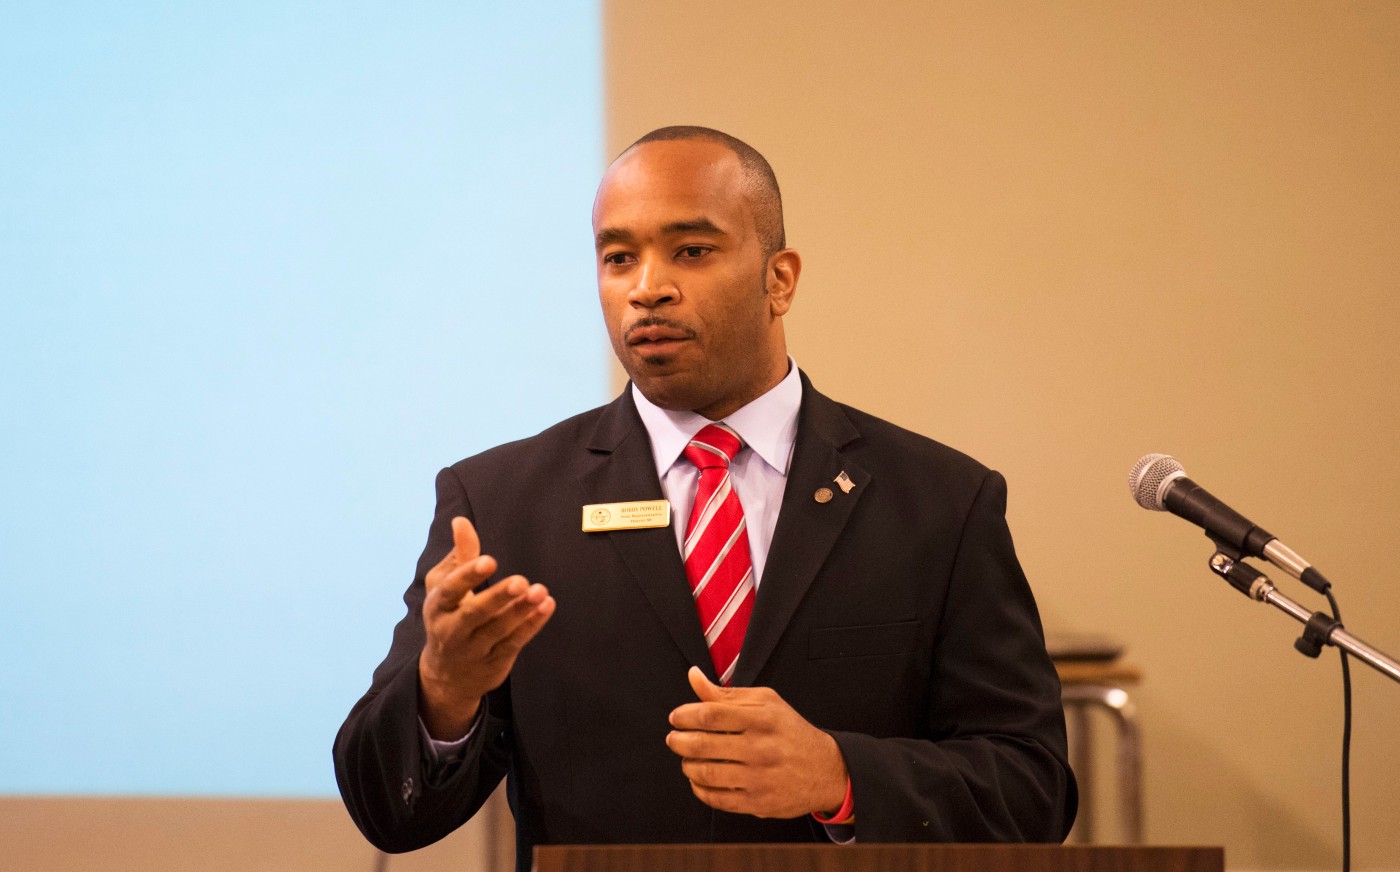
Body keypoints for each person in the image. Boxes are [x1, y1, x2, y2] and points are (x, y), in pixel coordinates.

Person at [334, 126, 1076, 868]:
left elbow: (1031, 789)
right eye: (618, 257)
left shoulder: (941, 502)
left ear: (779, 279)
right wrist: (444, 690)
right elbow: (387, 812)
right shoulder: (503, 502)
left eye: (691, 251)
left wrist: (840, 776)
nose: (647, 286)